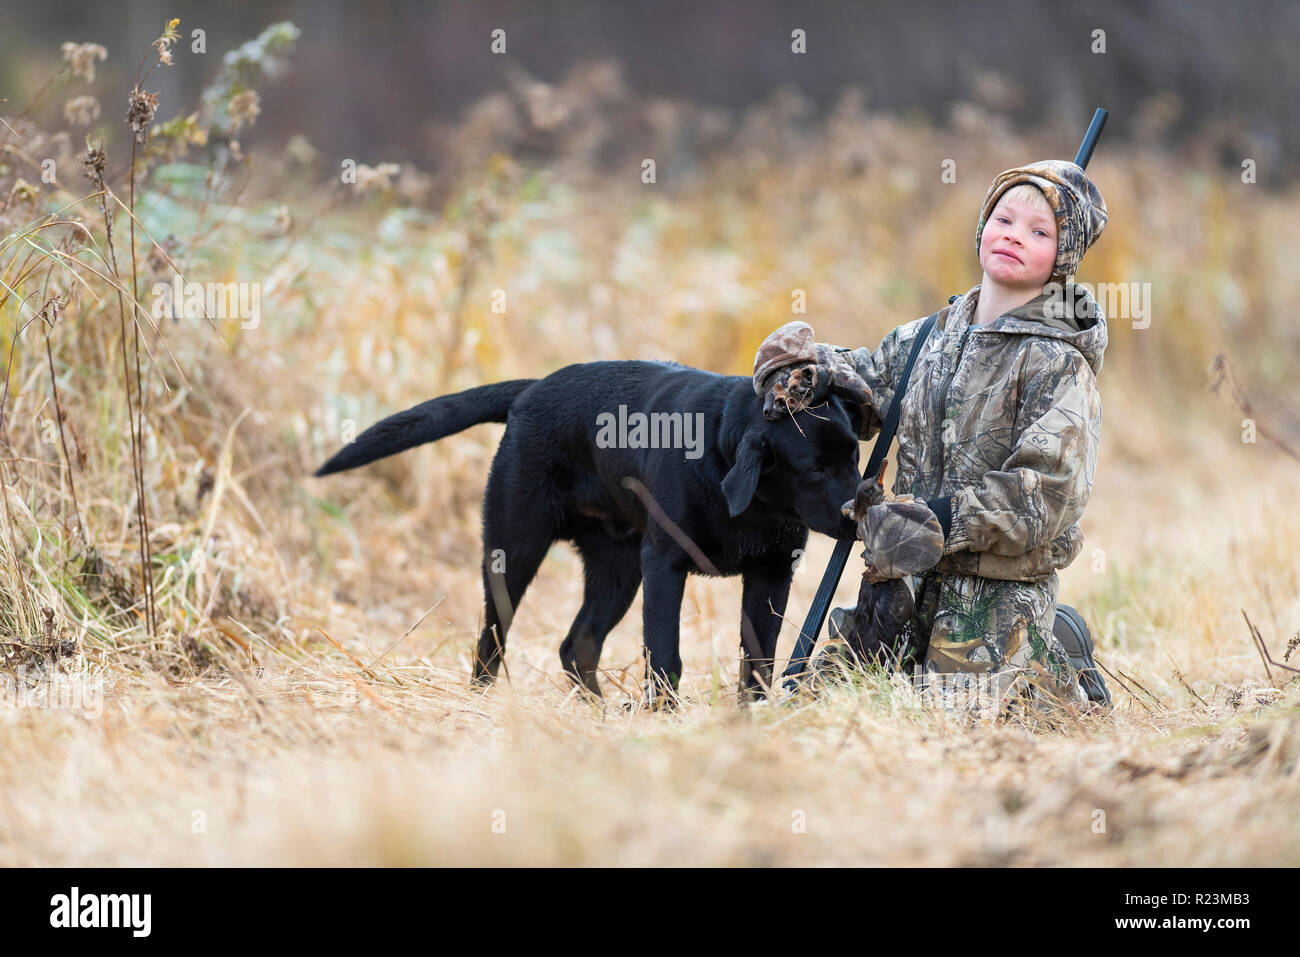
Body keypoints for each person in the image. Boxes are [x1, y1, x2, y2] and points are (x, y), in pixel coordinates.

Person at [753, 159, 1111, 715]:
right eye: (1004, 218)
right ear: (982, 225)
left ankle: (1058, 655)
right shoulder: (925, 337)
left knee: (957, 724)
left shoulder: (1058, 364)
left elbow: (1045, 495)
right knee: (819, 712)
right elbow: (869, 393)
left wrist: (938, 521)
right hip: (900, 583)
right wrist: (809, 371)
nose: (1015, 235)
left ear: (1063, 259)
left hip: (993, 590)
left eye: (1041, 232)